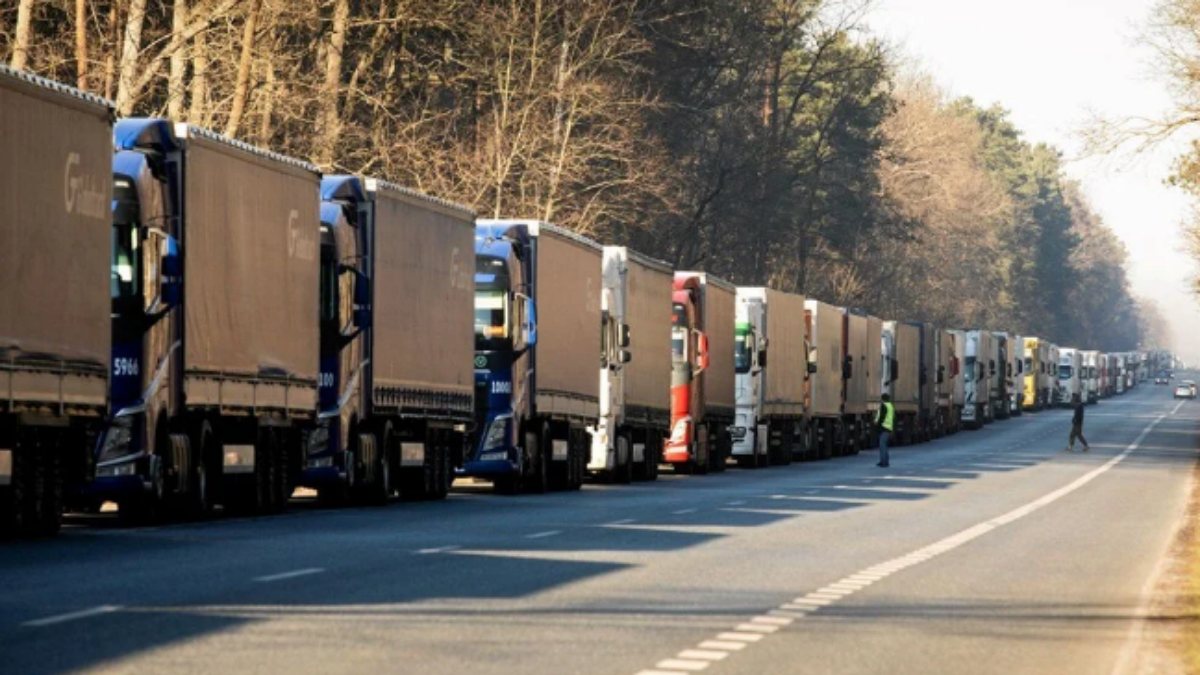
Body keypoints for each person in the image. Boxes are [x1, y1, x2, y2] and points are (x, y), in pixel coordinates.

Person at [876, 393, 895, 467]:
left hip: (883, 427)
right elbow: (893, 418)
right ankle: (885, 461)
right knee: (885, 445)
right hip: (889, 427)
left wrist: (877, 425)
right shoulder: (891, 406)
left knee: (882, 445)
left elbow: (881, 417)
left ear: (883, 399)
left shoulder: (884, 406)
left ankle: (883, 462)